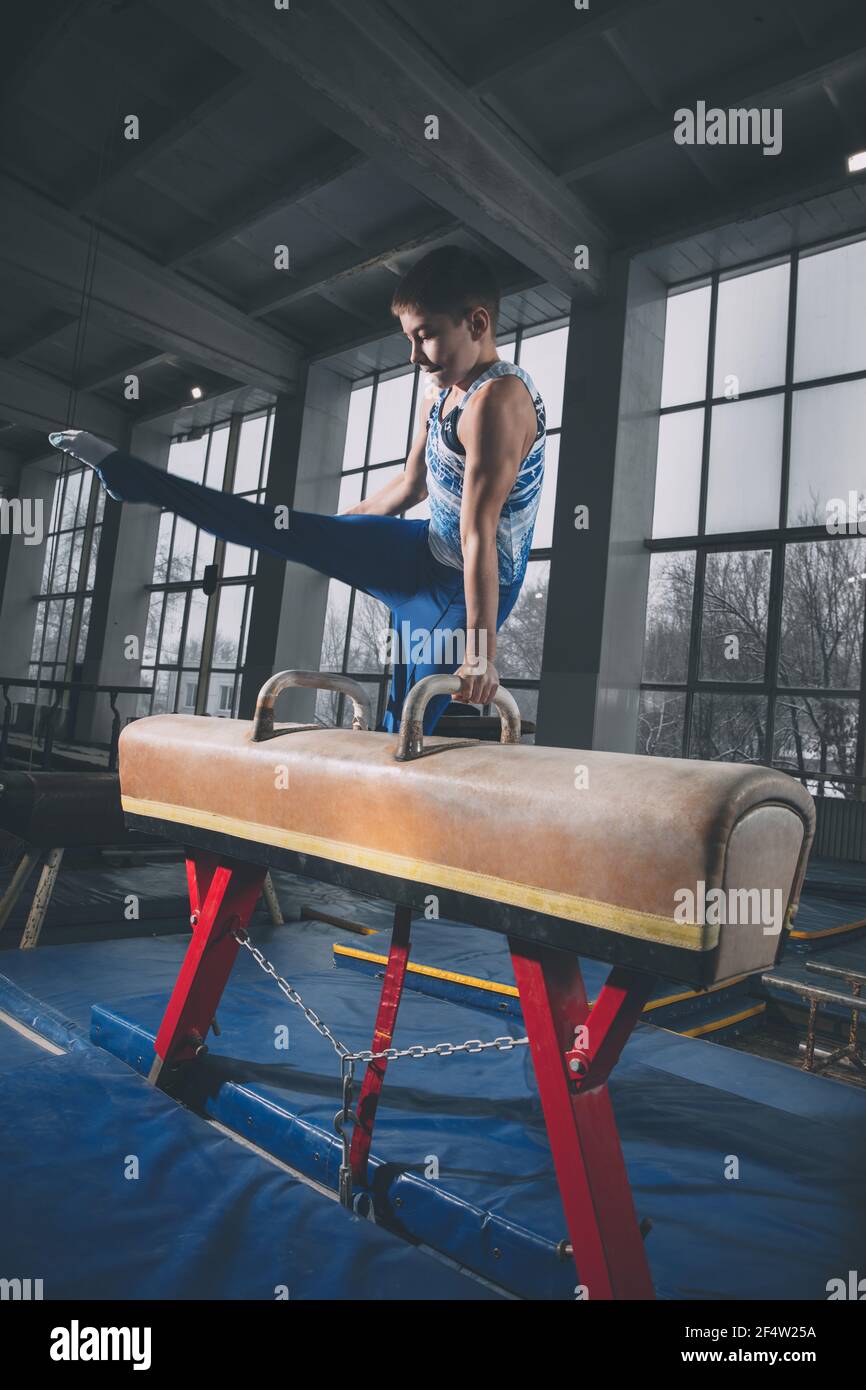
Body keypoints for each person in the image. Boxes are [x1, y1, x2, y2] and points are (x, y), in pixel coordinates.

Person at [49, 246, 546, 734]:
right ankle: (131, 476)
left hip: (465, 591)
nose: (414, 355)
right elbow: (410, 486)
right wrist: (331, 534)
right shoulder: (440, 395)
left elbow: (478, 531)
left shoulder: (499, 401)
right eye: (408, 339)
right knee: (284, 529)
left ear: (477, 325)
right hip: (422, 550)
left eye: (426, 336)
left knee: (404, 728)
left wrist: (480, 656)